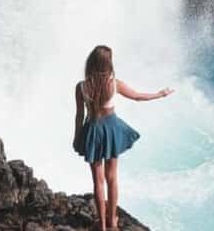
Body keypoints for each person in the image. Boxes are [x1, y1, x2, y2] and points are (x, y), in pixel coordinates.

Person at [73, 45, 173, 230]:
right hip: (111, 130)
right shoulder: (114, 83)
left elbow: (79, 115)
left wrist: (77, 136)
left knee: (98, 181)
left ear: (91, 62)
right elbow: (137, 97)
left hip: (93, 131)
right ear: (107, 63)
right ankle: (112, 222)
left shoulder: (81, 87)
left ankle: (102, 226)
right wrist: (160, 94)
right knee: (112, 178)